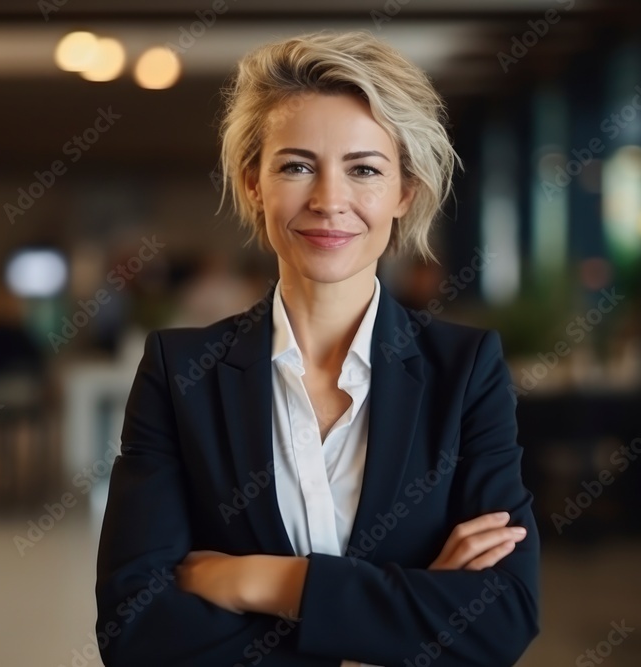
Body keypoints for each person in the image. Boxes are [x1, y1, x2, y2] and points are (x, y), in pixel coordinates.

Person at [95, 30, 540, 667]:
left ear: (403, 193)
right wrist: (396, 624)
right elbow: (134, 631)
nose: (329, 201)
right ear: (254, 184)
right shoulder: (180, 370)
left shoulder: (464, 370)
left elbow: (501, 619)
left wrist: (260, 582)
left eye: (364, 170)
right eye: (297, 166)